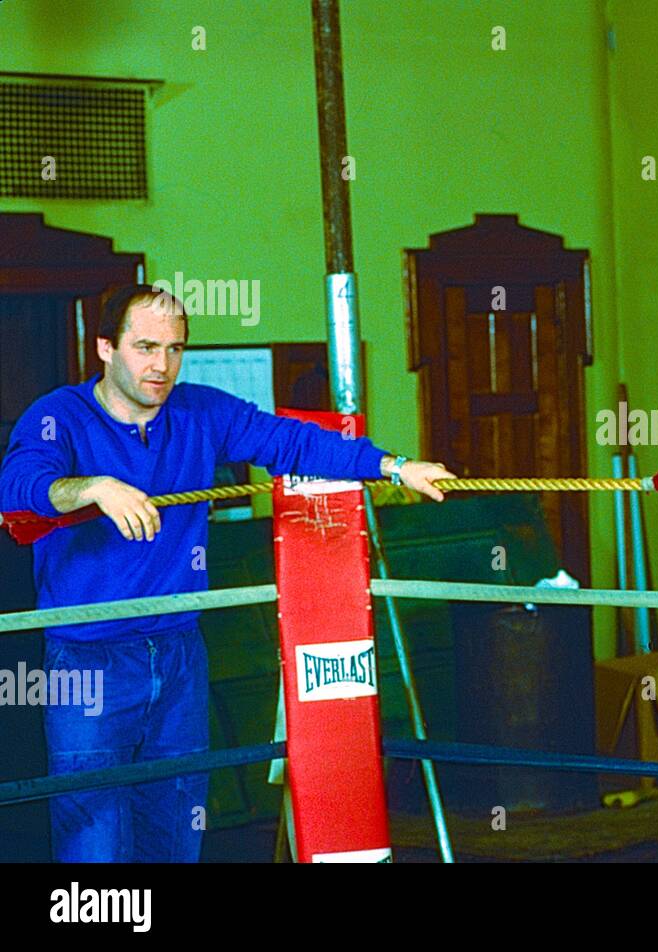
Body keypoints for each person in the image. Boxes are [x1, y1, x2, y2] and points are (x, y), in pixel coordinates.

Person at [0, 284, 455, 862]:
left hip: (179, 650)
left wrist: (393, 466)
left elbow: (292, 443)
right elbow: (16, 487)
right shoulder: (57, 417)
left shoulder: (201, 412)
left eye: (174, 348)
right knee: (95, 839)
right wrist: (92, 487)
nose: (161, 365)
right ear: (105, 349)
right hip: (88, 660)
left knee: (177, 829)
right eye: (144, 347)